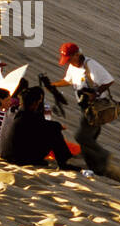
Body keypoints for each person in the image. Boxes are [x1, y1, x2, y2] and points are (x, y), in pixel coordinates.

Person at [49, 42, 115, 177]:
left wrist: (95, 93)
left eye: (69, 59)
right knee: (88, 139)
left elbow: (109, 81)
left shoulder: (91, 65)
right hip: (84, 106)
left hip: (96, 107)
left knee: (81, 136)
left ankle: (104, 155)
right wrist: (53, 85)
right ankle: (98, 169)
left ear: (77, 54)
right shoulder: (72, 67)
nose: (69, 63)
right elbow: (68, 80)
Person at [0, 86, 73, 169]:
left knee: (48, 129)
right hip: (18, 159)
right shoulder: (29, 116)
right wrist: (58, 126)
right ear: (34, 103)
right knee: (54, 131)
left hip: (4, 154)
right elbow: (50, 126)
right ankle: (63, 163)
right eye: (39, 101)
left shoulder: (11, 110)